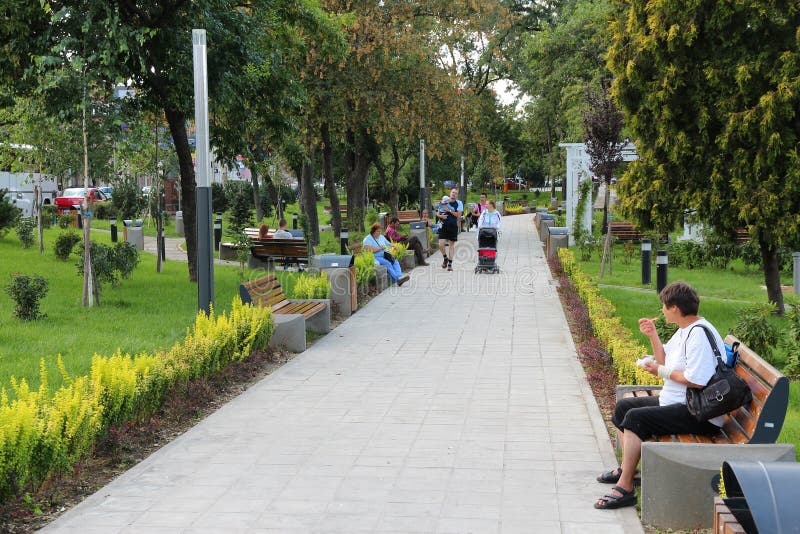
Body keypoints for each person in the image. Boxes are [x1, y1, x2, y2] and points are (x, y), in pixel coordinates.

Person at [594, 281, 726, 510]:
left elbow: (696, 380)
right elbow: (665, 360)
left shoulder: (699, 335)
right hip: (679, 402)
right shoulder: (685, 330)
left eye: (664, 306)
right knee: (623, 409)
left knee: (636, 418)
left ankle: (625, 488)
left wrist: (660, 371)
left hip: (699, 412)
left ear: (675, 307)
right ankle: (629, 470)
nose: (662, 311)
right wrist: (653, 336)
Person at [436, 189, 463, 271]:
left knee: (451, 245)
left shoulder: (459, 203)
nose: (454, 194)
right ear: (450, 193)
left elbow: (458, 215)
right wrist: (441, 216)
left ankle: (450, 264)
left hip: (453, 226)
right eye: (453, 192)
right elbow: (437, 213)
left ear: (457, 195)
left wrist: (449, 210)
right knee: (441, 244)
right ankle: (445, 258)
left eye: (456, 193)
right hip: (443, 225)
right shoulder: (444, 200)